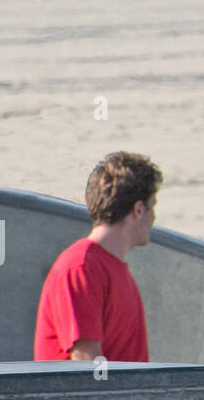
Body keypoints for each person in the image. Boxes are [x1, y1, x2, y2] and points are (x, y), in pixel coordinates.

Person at [33, 151, 160, 362]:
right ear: (138, 209)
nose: (154, 217)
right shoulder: (81, 266)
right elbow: (87, 362)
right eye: (152, 206)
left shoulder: (111, 267)